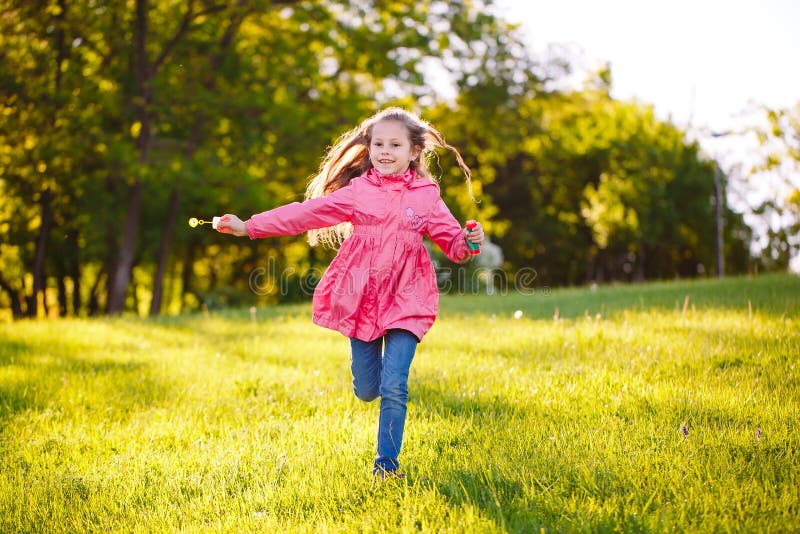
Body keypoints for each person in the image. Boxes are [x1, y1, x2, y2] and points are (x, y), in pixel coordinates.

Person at [216, 107, 484, 480]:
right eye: (378, 144)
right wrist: (250, 226)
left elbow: (453, 245)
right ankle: (370, 392)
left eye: (395, 144)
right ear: (369, 147)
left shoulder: (426, 196)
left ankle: (386, 467)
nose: (385, 151)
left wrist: (469, 242)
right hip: (362, 298)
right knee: (367, 388)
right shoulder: (358, 192)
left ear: (413, 152)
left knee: (395, 385)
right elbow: (305, 213)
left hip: (409, 298)